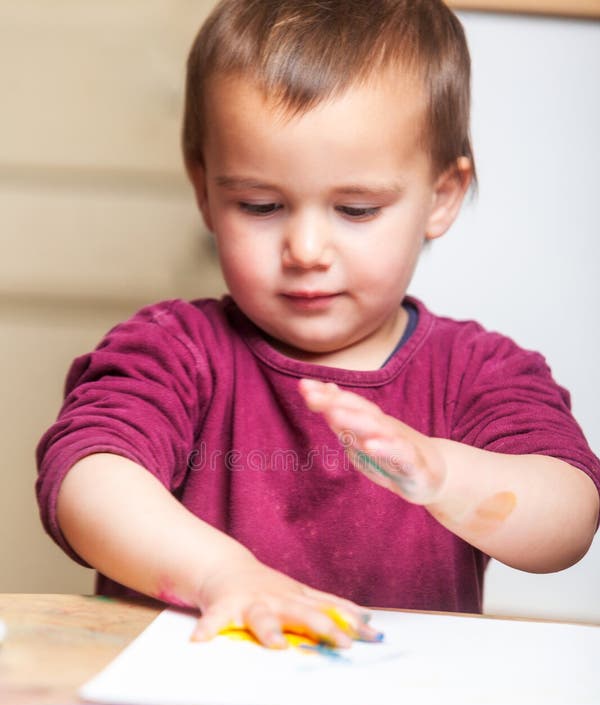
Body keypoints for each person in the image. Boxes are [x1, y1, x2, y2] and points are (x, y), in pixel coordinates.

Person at [36, 0, 600, 650]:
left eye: (356, 209)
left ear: (441, 197)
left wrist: (444, 475)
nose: (306, 248)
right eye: (260, 204)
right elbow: (87, 479)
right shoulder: (173, 349)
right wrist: (224, 575)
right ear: (204, 191)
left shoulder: (480, 371)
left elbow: (571, 518)